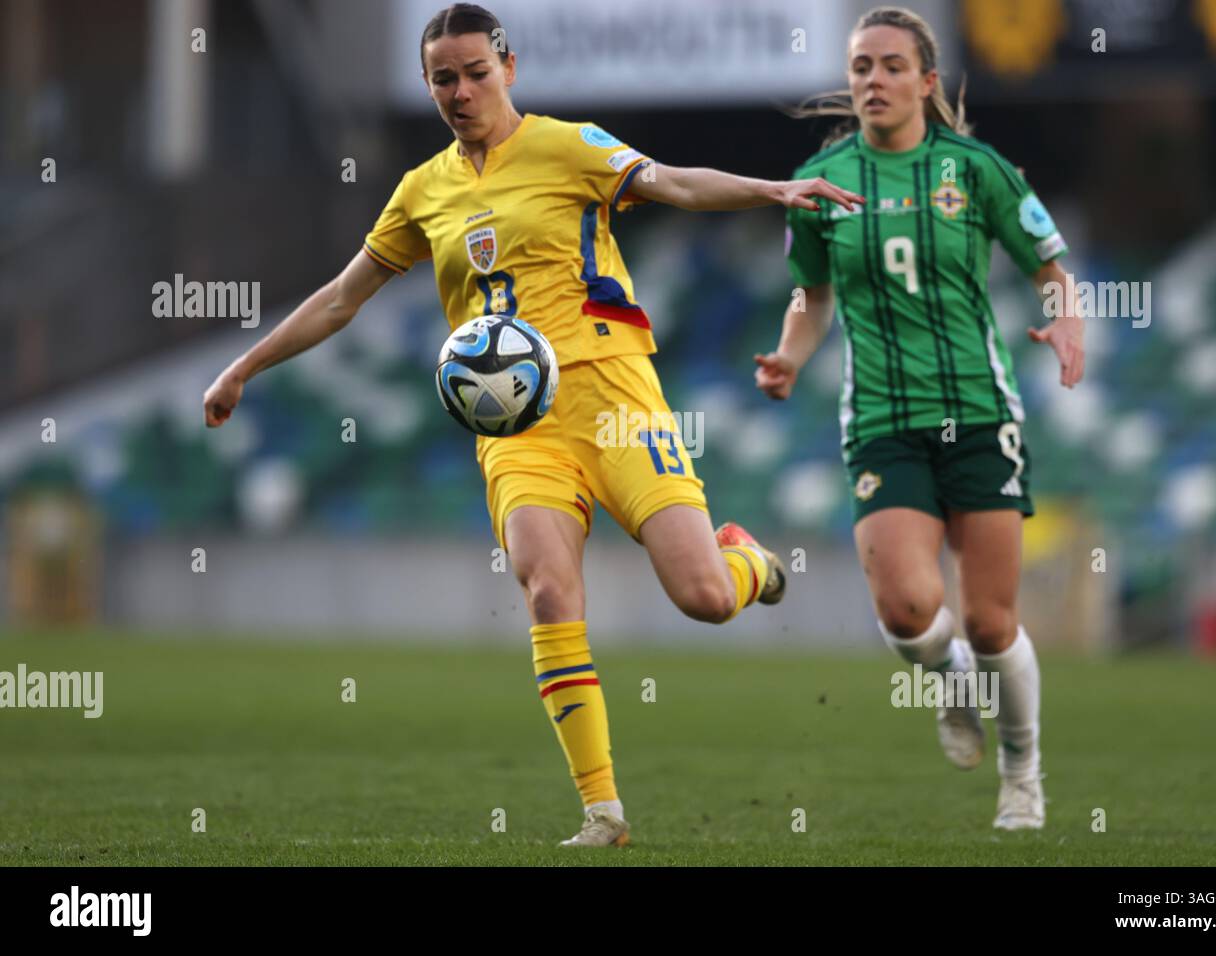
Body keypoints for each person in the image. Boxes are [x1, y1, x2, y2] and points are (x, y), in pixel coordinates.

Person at [202, 3, 863, 848]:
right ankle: (602, 810)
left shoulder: (565, 145)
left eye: (477, 72)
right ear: (429, 85)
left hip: (616, 397)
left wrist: (770, 189)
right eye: (444, 78)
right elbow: (341, 298)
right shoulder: (424, 191)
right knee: (547, 587)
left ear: (508, 68)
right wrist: (241, 368)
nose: (462, 91)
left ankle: (750, 562)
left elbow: (669, 181)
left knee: (702, 597)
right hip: (517, 425)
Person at [755, 5, 1084, 830]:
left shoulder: (975, 171)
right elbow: (811, 293)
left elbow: (1050, 264)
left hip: (978, 412)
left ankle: (1023, 773)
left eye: (891, 66)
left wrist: (1067, 316)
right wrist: (791, 353)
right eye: (861, 66)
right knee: (906, 611)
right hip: (882, 419)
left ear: (926, 82)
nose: (873, 80)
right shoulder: (821, 182)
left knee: (991, 618)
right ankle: (952, 680)